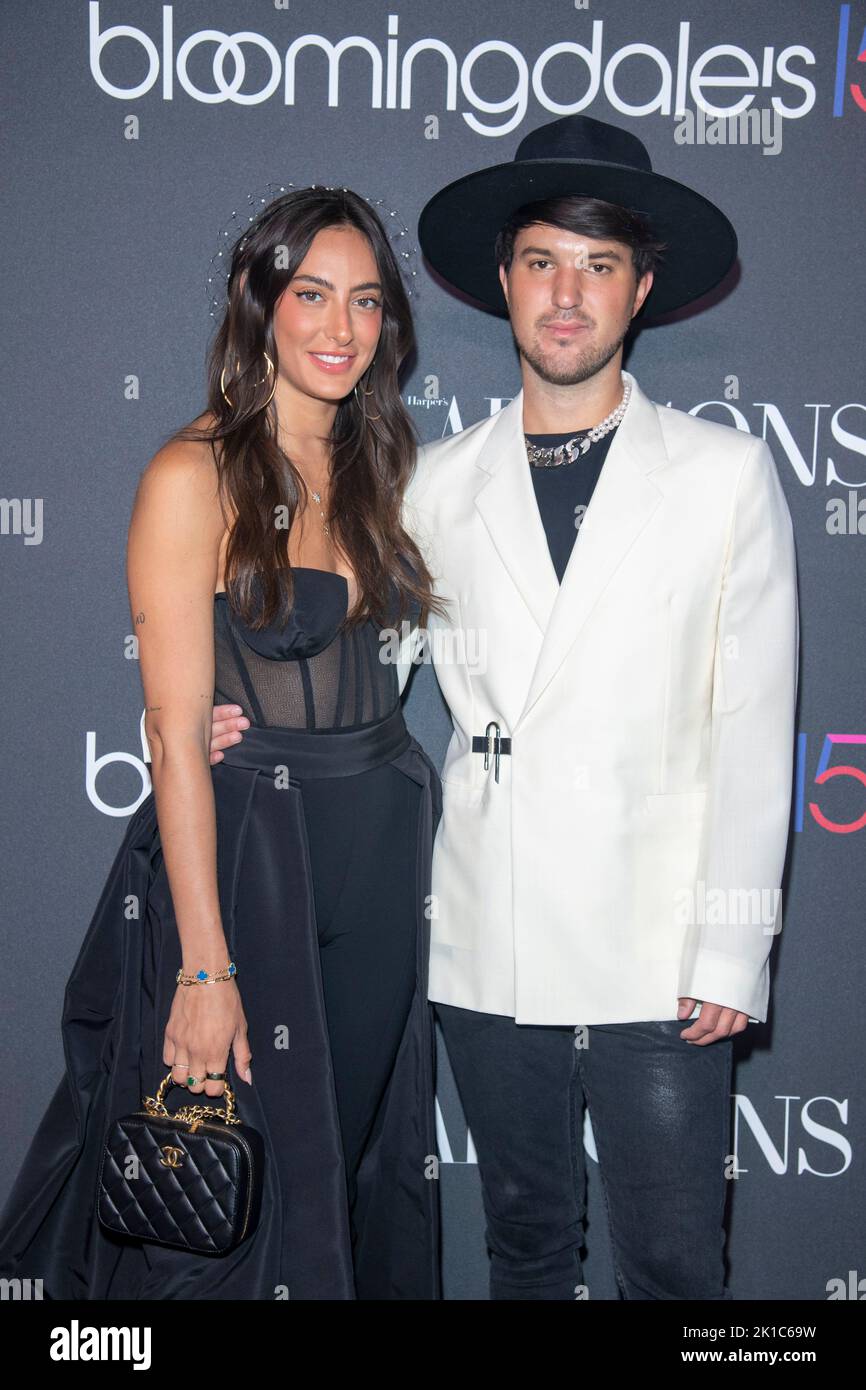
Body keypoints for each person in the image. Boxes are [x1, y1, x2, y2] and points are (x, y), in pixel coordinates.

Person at [211, 114, 801, 1302]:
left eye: (596, 267)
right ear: (503, 282)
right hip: (494, 934)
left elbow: (752, 722)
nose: (566, 296)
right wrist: (224, 719)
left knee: (676, 1264)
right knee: (522, 1249)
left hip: (660, 947)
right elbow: (361, 661)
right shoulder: (433, 482)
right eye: (541, 262)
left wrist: (732, 943)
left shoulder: (722, 475)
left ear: (639, 291)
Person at [0, 186, 445, 1300]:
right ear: (259, 304)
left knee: (340, 1171)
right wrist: (204, 963)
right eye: (311, 295)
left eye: (365, 301)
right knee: (238, 1197)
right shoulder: (189, 473)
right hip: (251, 862)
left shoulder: (383, 465)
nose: (340, 328)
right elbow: (173, 731)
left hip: (379, 854)